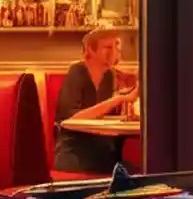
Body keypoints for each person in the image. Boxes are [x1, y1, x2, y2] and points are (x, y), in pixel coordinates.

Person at [54, 30, 139, 174]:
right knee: (132, 175)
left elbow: (107, 116)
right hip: (74, 153)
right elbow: (69, 119)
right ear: (90, 50)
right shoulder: (77, 72)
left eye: (116, 47)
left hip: (103, 153)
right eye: (108, 47)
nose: (115, 52)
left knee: (139, 173)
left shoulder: (108, 77)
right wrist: (119, 98)